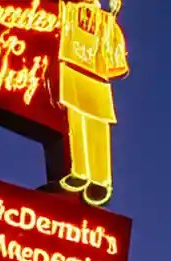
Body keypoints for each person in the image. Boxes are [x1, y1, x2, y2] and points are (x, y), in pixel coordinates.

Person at [57, 0, 129, 206]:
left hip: (96, 76)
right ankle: (80, 171)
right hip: (72, 68)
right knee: (76, 122)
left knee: (97, 125)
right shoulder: (70, 10)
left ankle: (100, 179)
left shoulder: (103, 20)